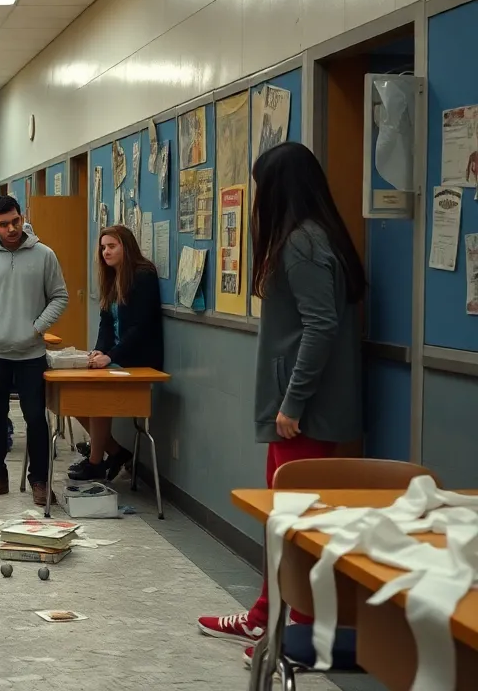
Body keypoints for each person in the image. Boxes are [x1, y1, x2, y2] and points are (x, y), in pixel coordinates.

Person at [196, 141, 365, 663]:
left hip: (304, 413)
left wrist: (291, 404)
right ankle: (264, 616)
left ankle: (302, 632)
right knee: (280, 516)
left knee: (298, 522)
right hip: (293, 410)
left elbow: (321, 328)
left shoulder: (304, 243)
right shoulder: (310, 238)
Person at [0, 195, 68, 505]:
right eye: (4, 224)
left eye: (16, 221)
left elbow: (59, 297)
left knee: (35, 417)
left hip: (31, 355)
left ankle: (39, 481)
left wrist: (36, 328)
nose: (12, 228)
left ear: (22, 218)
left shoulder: (44, 255)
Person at [70, 224, 163, 481]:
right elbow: (106, 323)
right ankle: (115, 450)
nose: (105, 252)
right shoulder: (111, 277)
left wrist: (111, 357)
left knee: (96, 397)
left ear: (127, 247)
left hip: (138, 360)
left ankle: (96, 461)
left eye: (112, 246)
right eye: (103, 247)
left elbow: (140, 327)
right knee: (75, 396)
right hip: (117, 357)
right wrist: (99, 350)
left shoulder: (143, 275)